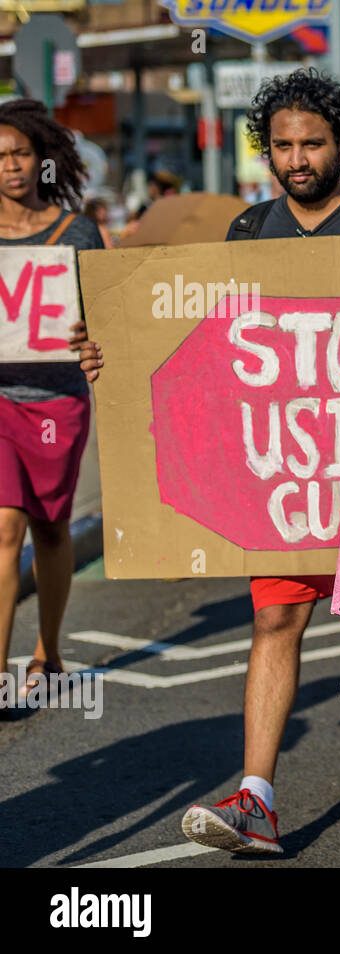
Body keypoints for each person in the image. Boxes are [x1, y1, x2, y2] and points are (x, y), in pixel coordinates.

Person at [79, 68, 340, 851]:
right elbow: (211, 349)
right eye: (284, 145)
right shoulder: (249, 231)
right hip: (282, 467)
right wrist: (117, 361)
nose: (297, 159)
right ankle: (257, 795)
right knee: (275, 613)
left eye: (313, 144)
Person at [0, 100, 104, 718]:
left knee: (50, 526)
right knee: (4, 525)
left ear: (41, 159)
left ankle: (49, 652)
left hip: (57, 401)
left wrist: (90, 336)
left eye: (18, 153)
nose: (9, 166)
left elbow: (106, 316)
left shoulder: (77, 233)